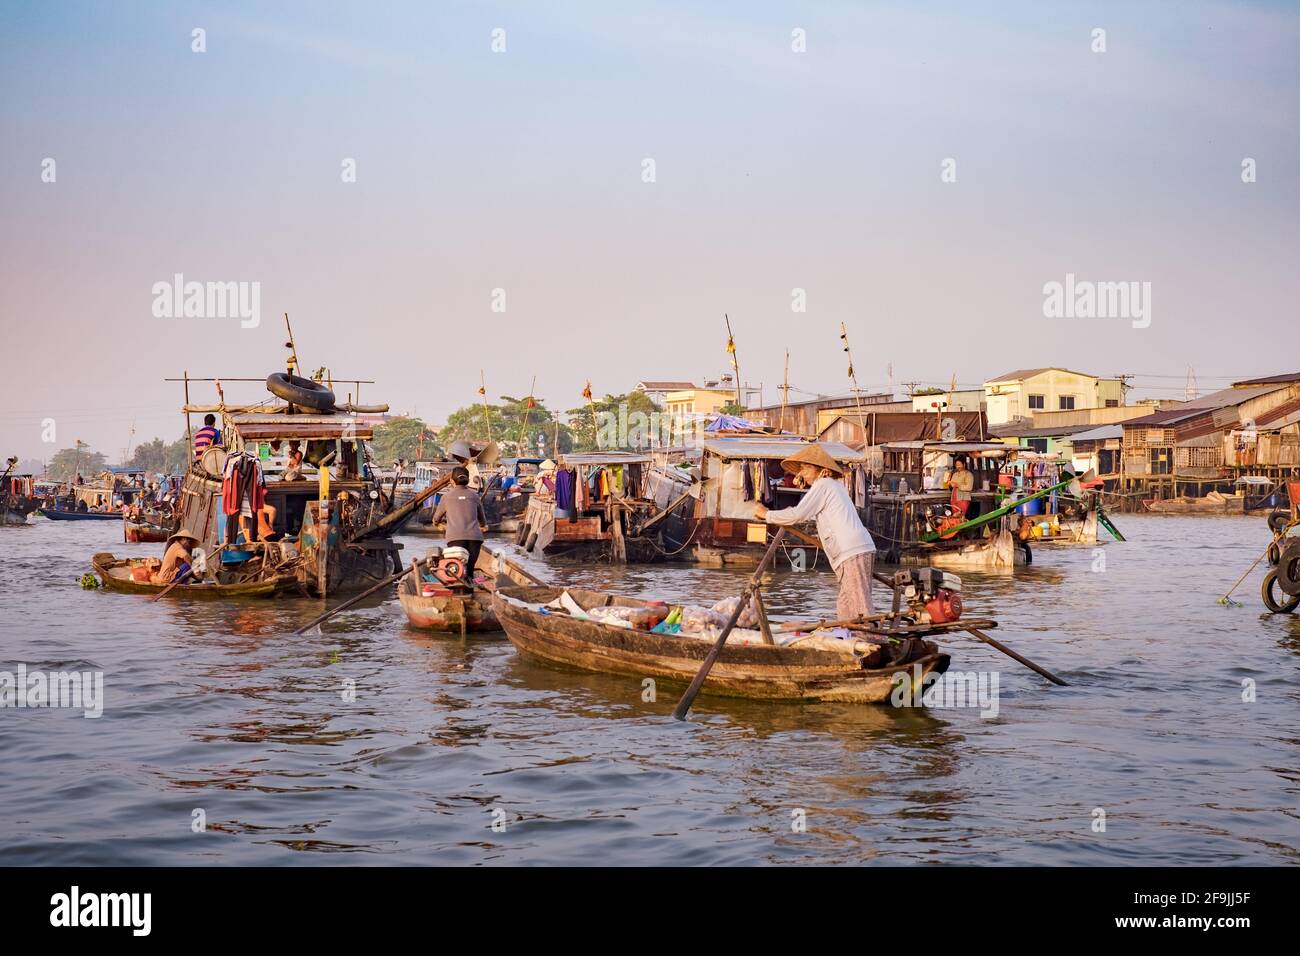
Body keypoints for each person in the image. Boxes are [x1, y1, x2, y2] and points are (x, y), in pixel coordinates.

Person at [753, 445, 877, 622]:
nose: (802, 473)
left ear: (823, 471)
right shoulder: (834, 486)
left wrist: (766, 514)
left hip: (852, 551)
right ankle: (850, 636)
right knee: (846, 605)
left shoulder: (824, 485)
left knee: (859, 606)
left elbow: (797, 515)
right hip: (856, 549)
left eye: (806, 467)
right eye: (802, 468)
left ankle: (873, 642)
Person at [432, 466, 489, 581]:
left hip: (454, 538)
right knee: (470, 570)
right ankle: (470, 587)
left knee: (457, 570)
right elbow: (482, 521)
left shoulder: (446, 497)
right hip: (475, 538)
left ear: (452, 481)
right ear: (468, 479)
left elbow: (436, 519)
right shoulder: (475, 496)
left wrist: (438, 524)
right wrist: (484, 526)